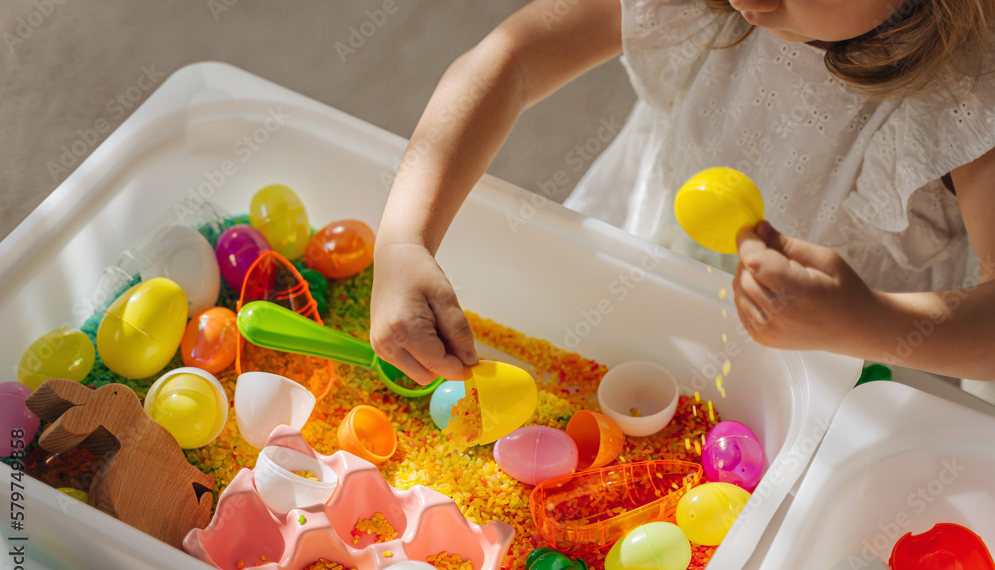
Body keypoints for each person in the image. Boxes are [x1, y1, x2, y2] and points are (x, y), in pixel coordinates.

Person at [368, 0, 995, 388]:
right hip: (647, 258)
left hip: (841, 366)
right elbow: (510, 60)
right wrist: (403, 241)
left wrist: (872, 323)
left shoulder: (966, 98)